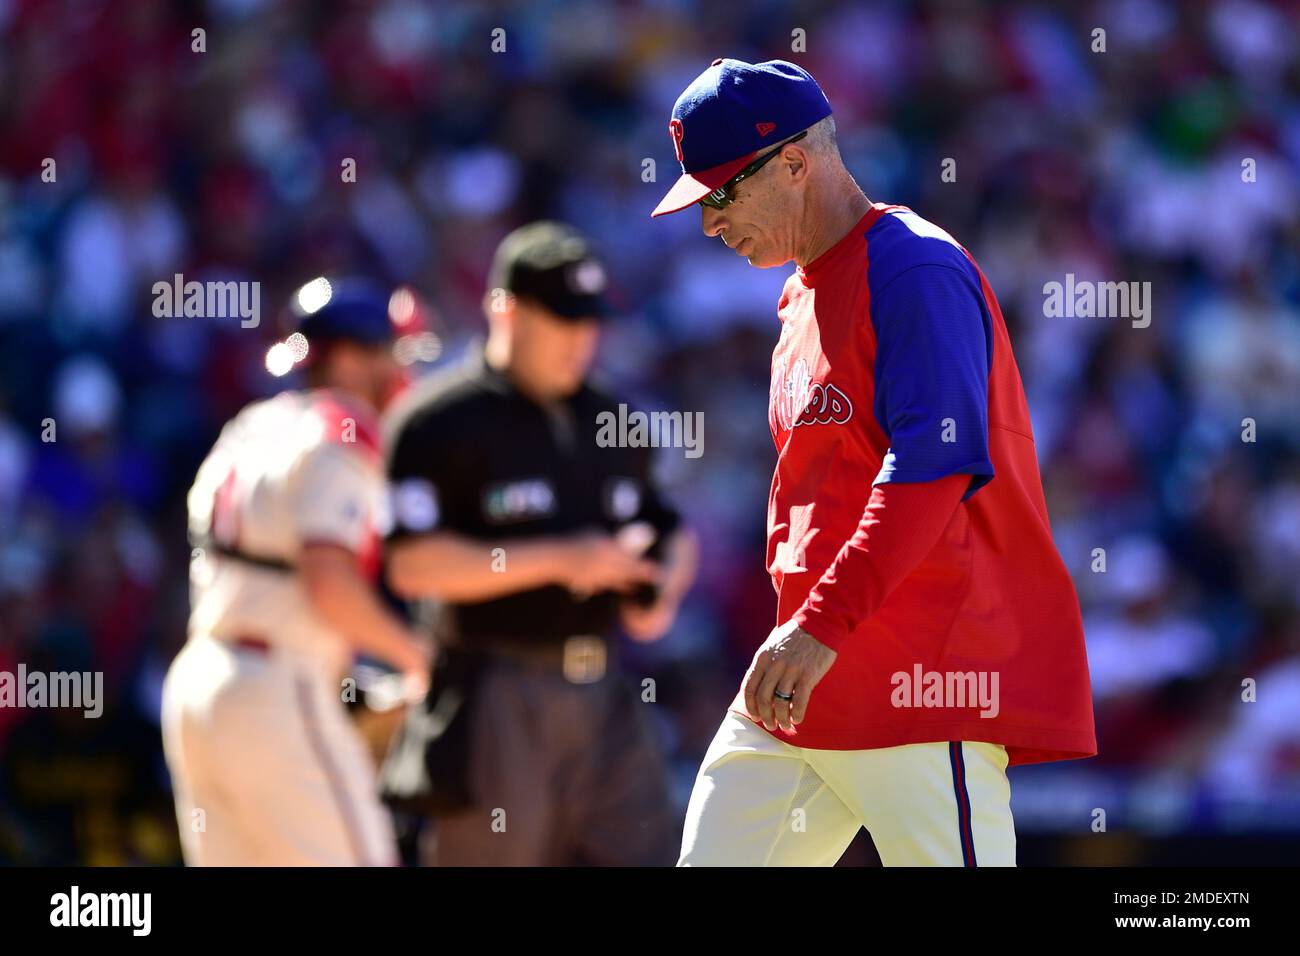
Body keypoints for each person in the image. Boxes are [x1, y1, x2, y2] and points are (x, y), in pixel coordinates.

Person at [652, 58, 1096, 866]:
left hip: (920, 677)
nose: (709, 222)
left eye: (720, 193)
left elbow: (933, 468)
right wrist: (810, 631)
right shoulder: (798, 294)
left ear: (793, 161)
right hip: (803, 677)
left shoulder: (914, 268)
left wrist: (821, 625)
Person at [381, 221, 698, 866]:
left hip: (606, 687)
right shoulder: (438, 420)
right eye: (562, 319)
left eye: (590, 321)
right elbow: (411, 565)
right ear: (506, 311)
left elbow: (673, 530)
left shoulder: (611, 418)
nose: (582, 340)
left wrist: (660, 590)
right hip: (496, 687)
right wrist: (561, 558)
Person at [161, 278, 430, 866]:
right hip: (278, 691)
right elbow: (328, 584)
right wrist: (420, 659)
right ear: (351, 357)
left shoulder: (250, 426)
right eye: (388, 352)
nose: (398, 370)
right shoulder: (341, 432)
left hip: (199, 684)